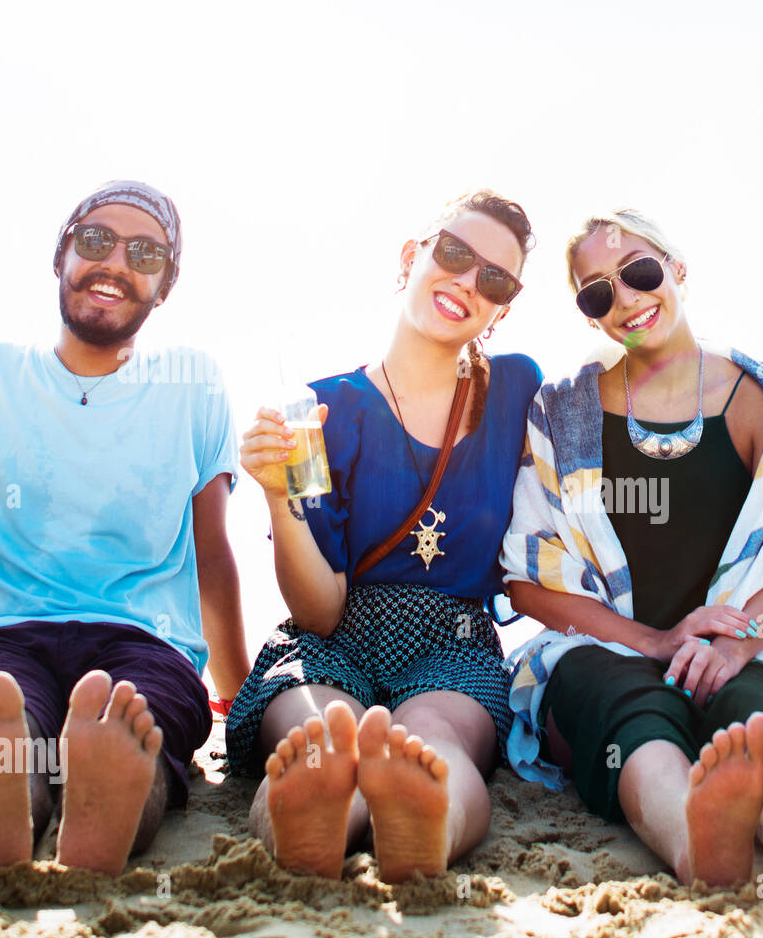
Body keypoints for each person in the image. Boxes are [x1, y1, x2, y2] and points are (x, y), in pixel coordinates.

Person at [501, 210, 763, 894]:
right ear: (590, 317)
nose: (628, 300)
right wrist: (657, 641)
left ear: (678, 270)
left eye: (639, 271)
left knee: (753, 704)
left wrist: (737, 645)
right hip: (607, 648)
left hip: (737, 645)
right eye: (598, 293)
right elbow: (529, 582)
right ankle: (697, 845)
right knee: (625, 709)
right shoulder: (559, 414)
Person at [227, 191, 542, 882]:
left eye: (494, 279)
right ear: (412, 256)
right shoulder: (322, 409)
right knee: (319, 736)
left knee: (433, 743)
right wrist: (279, 499)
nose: (466, 282)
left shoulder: (517, 392)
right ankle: (314, 821)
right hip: (335, 633)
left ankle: (426, 824)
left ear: (502, 310)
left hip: (451, 640)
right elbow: (320, 611)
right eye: (454, 254)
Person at [0, 180, 248, 874]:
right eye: (95, 241)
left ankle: (106, 796)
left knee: (137, 718)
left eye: (144, 252)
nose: (115, 263)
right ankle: (3, 799)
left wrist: (240, 702)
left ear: (165, 285)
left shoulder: (194, 384)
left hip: (144, 640)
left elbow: (212, 556)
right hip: (5, 636)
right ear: (60, 255)